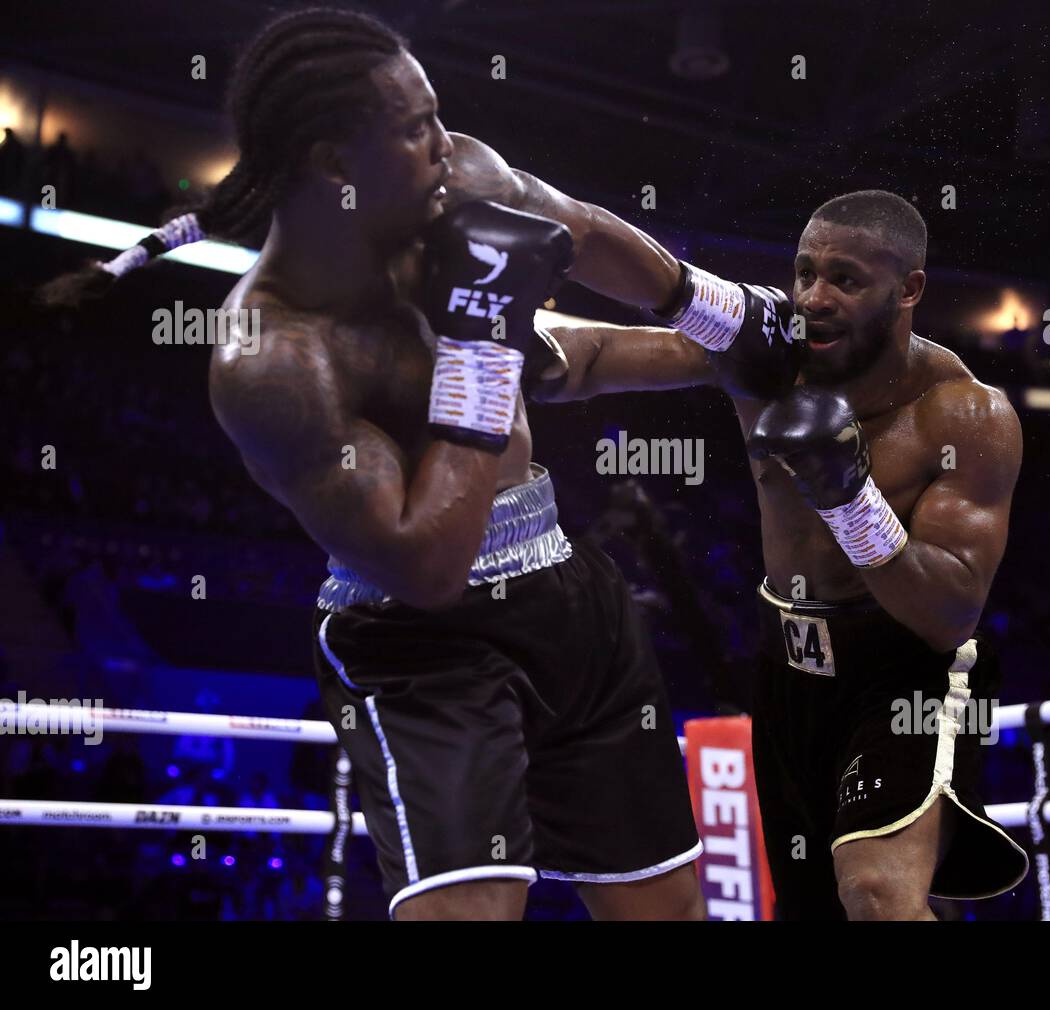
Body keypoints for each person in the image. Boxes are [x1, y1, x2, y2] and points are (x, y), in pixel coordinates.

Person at [38, 7, 703, 922]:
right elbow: (426, 566)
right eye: (414, 127)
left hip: (566, 591)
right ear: (334, 164)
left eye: (436, 114)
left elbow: (580, 243)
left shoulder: (461, 183)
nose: (446, 142)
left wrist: (727, 324)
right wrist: (480, 341)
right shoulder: (273, 357)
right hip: (422, 646)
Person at [478, 184, 1032, 920]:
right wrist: (484, 342)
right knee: (823, 908)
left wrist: (848, 495)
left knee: (877, 892)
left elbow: (948, 613)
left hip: (908, 674)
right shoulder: (767, 354)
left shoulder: (965, 414)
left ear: (910, 289)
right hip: (788, 668)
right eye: (804, 272)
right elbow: (591, 357)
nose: (813, 297)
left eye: (845, 279)